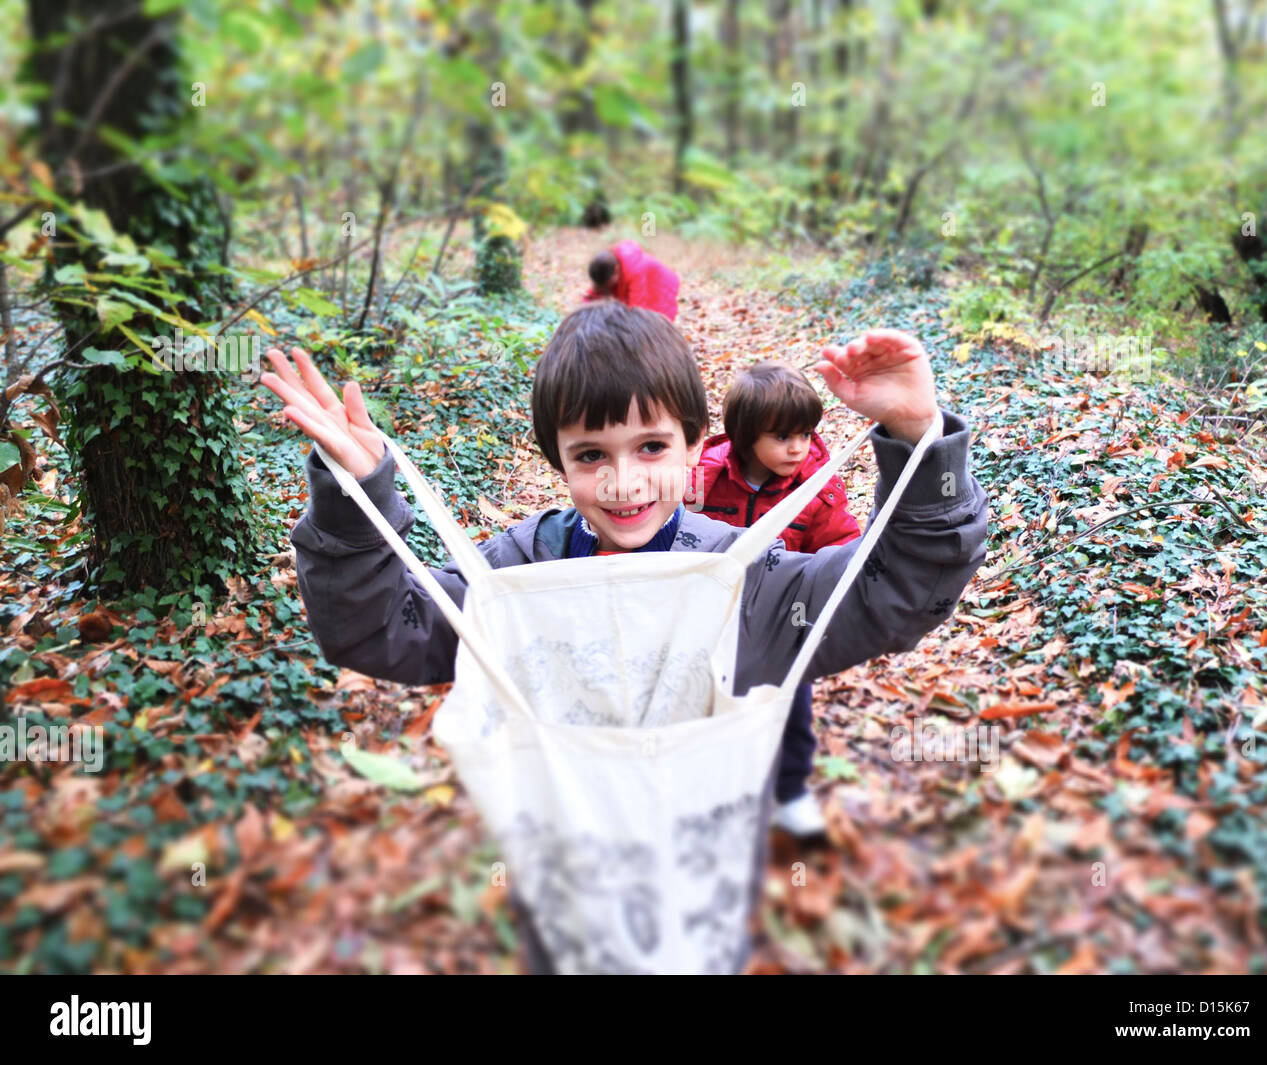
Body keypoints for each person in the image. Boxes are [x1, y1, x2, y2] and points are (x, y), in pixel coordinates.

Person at [260, 299, 989, 971]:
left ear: (693, 446)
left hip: (702, 900)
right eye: (591, 455)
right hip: (565, 895)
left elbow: (896, 592)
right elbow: (382, 628)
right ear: (558, 458)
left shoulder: (741, 581)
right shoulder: (518, 577)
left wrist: (919, 440)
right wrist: (357, 503)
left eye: (650, 447)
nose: (623, 483)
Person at [690, 361, 861, 838]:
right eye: (782, 437)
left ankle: (789, 792)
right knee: (711, 701)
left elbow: (841, 547)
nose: (797, 448)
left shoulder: (817, 490)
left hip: (786, 620)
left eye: (806, 434)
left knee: (790, 710)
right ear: (745, 436)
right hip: (717, 618)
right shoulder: (704, 481)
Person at [583, 239, 680, 321]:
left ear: (617, 270)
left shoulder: (634, 271)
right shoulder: (605, 270)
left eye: (608, 284)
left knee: (655, 323)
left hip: (659, 286)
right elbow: (594, 294)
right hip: (641, 281)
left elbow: (636, 309)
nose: (606, 288)